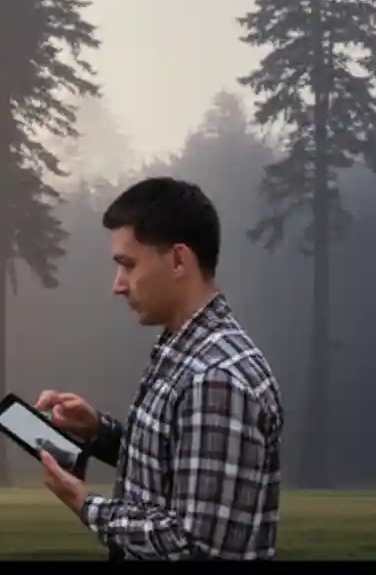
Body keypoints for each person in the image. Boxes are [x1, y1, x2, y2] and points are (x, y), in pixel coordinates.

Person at [35, 177, 284, 561]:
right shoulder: (188, 350)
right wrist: (98, 431)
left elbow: (194, 545)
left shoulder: (216, 379)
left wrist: (87, 504)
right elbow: (178, 469)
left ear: (179, 260)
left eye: (128, 265)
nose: (118, 285)